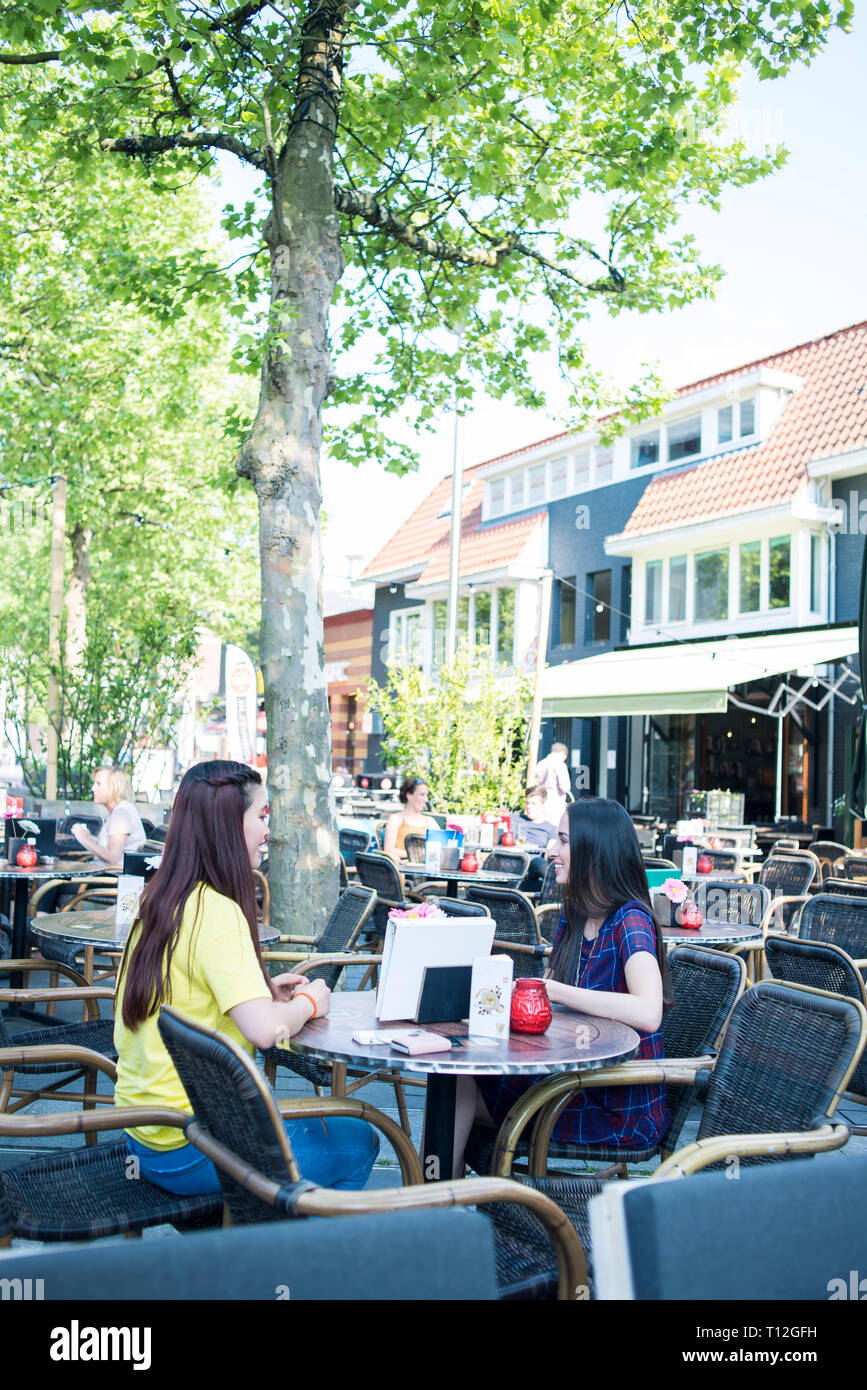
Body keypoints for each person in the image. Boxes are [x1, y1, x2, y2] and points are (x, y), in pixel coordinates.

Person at [114, 759, 378, 1195]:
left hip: (143, 1134)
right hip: (193, 1143)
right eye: (261, 816)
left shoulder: (162, 897)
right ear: (225, 826)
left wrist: (261, 992)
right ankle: (276, 1256)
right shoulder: (217, 912)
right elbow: (265, 1031)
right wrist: (310, 1003)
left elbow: (182, 993)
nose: (267, 830)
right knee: (359, 1139)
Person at [448, 796, 674, 1178]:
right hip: (572, 1079)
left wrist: (555, 992)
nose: (552, 850)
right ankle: (439, 1199)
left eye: (564, 840)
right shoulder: (577, 916)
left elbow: (649, 1011)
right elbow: (549, 1001)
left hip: (616, 1104)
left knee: (455, 1090)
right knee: (453, 1079)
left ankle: (437, 1202)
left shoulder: (630, 920)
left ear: (595, 850)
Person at [71, 766, 146, 865]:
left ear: (114, 787)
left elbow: (112, 857)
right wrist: (91, 839)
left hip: (112, 877)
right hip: (106, 875)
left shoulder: (121, 814)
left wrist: (84, 840)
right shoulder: (119, 810)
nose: (93, 788)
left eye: (98, 784)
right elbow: (115, 847)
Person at [506, 785, 557, 894]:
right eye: (527, 803)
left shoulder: (551, 829)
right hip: (513, 860)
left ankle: (554, 892)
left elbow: (550, 853)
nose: (529, 807)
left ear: (543, 805)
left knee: (541, 865)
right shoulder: (515, 819)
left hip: (533, 865)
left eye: (533, 804)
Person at [383, 777, 438, 860]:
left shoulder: (430, 821)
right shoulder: (396, 819)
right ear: (409, 795)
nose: (426, 800)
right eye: (422, 795)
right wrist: (415, 854)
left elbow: (441, 846)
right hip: (402, 868)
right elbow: (388, 849)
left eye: (427, 795)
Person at [533, 742, 572, 826]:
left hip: (541, 800)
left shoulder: (541, 763)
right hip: (555, 801)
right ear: (562, 753)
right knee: (555, 828)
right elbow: (565, 787)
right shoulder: (560, 764)